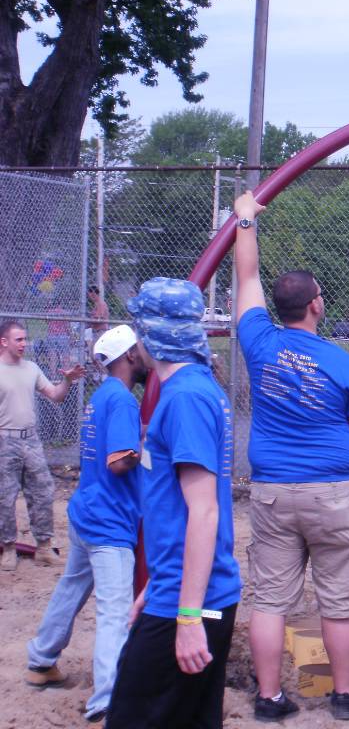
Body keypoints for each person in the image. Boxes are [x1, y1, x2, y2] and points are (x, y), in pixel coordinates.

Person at [233, 191, 349, 721]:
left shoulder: (257, 339)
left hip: (274, 492)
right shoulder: (343, 364)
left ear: (282, 306)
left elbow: (246, 278)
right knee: (339, 600)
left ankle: (270, 698)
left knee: (270, 598)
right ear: (316, 304)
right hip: (334, 492)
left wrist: (244, 218)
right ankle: (344, 696)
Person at [105, 277, 241, 729]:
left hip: (190, 602)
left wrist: (187, 616)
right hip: (180, 589)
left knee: (129, 717)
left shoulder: (186, 398)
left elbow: (204, 511)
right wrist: (155, 584)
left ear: (151, 334)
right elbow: (180, 510)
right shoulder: (192, 390)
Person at [25, 325, 147, 721]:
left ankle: (41, 659)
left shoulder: (102, 396)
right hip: (109, 521)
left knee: (71, 587)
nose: (145, 354)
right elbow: (118, 461)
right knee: (115, 609)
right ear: (129, 356)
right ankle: (107, 700)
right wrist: (146, 453)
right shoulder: (124, 402)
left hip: (85, 511)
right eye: (140, 349)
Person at [0, 319, 84, 570]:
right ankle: (8, 548)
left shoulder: (32, 368)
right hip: (5, 440)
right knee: (5, 497)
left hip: (31, 440)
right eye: (19, 339)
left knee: (43, 491)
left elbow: (56, 396)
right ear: (4, 342)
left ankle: (44, 547)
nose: (24, 343)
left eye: (25, 339)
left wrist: (67, 381)